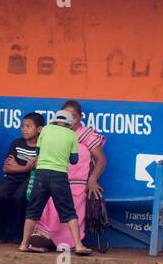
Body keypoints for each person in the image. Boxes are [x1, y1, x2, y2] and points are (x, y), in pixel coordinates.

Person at [30, 100, 107, 249]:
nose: (70, 120)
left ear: (80, 117)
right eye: (66, 116)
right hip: (53, 180)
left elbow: (101, 160)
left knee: (70, 214)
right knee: (48, 211)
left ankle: (70, 244)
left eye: (74, 116)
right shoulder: (52, 132)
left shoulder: (86, 134)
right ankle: (43, 240)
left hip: (77, 187)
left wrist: (93, 179)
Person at [20, 109, 92, 255]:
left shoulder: (45, 130)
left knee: (33, 211)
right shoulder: (72, 134)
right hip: (59, 176)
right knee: (69, 212)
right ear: (69, 124)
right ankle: (78, 245)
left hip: (41, 175)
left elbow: (38, 152)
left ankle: (23, 244)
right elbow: (74, 160)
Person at [0, 111, 43, 243]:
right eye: (23, 126)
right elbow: (6, 167)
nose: (24, 129)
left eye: (28, 126)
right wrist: (25, 167)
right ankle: (1, 233)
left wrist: (19, 166)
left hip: (30, 179)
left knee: (19, 198)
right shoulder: (17, 143)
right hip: (13, 177)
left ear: (39, 129)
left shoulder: (42, 147)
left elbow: (38, 168)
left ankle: (20, 234)